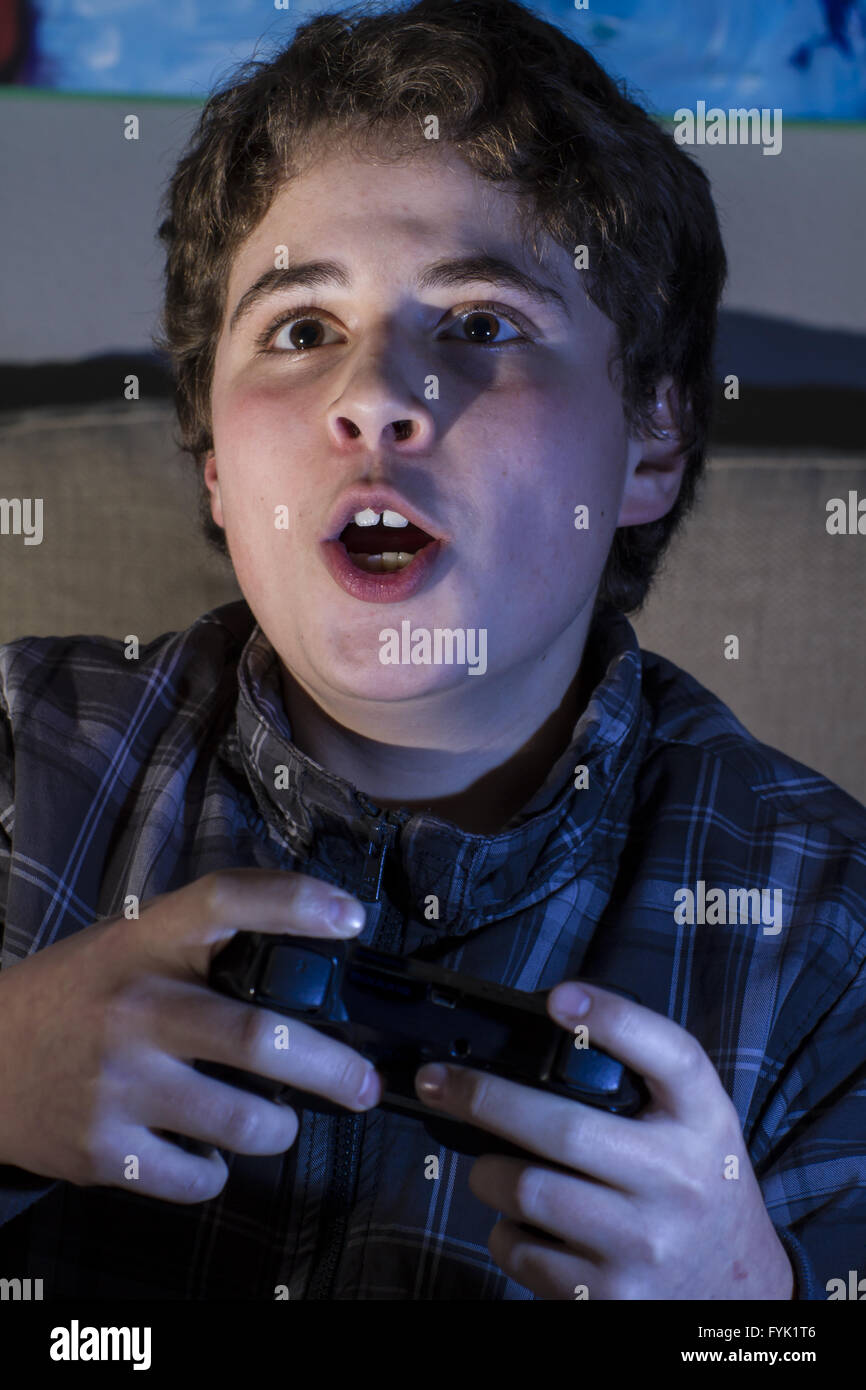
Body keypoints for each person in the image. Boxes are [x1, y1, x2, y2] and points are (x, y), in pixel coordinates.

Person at [0, 0, 863, 1301]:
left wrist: (743, 1303)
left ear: (651, 441)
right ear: (217, 467)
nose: (373, 395)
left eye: (479, 322)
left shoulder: (829, 936)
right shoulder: (17, 756)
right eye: (300, 330)